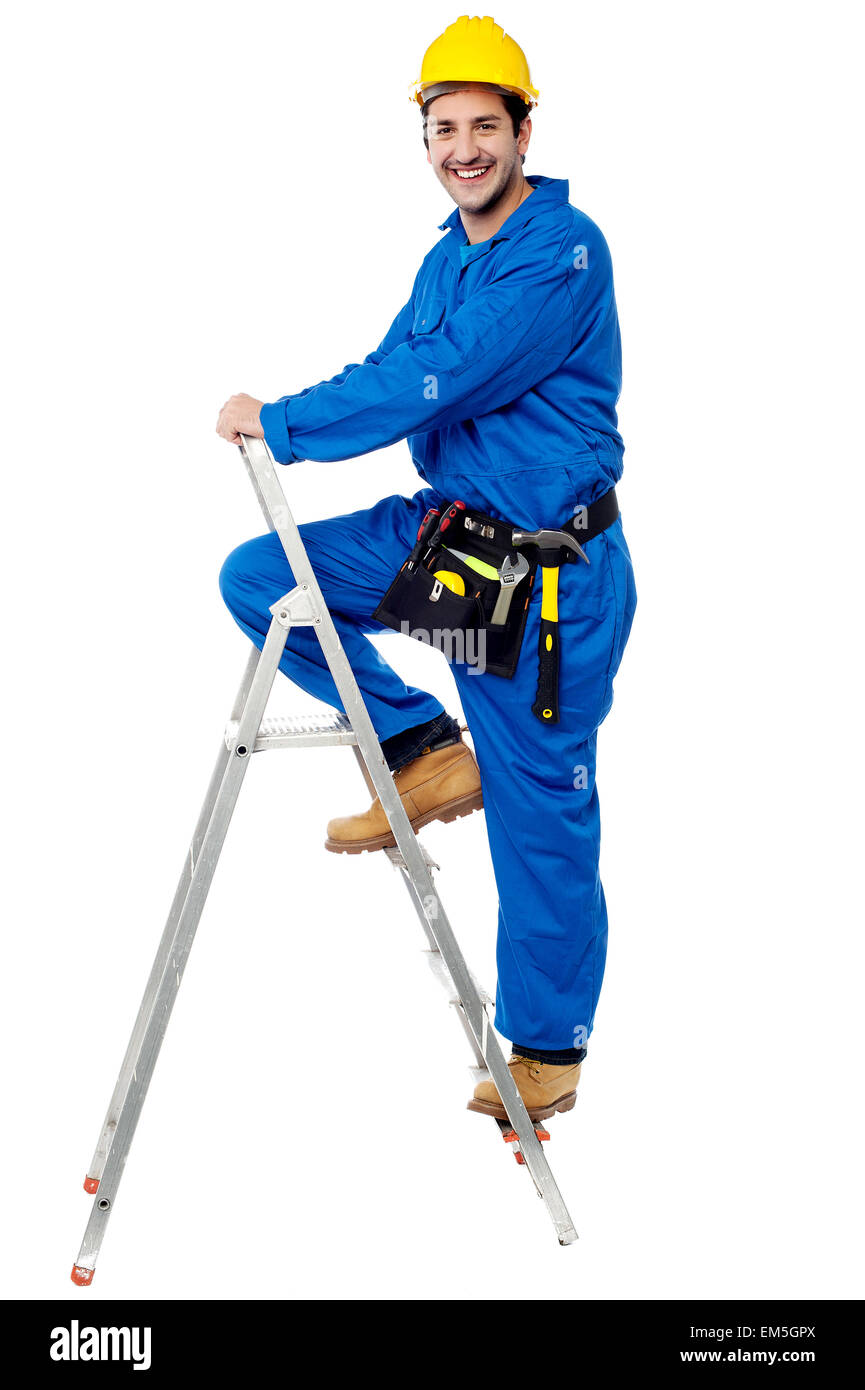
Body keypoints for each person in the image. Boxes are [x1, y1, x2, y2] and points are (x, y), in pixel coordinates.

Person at [216, 15, 637, 1124]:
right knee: (264, 580)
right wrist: (299, 407)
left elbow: (434, 378)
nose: (464, 147)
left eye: (483, 126)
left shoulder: (562, 249)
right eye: (443, 127)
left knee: (542, 813)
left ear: (523, 130)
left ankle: (547, 1049)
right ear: (426, 137)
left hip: (543, 578)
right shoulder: (446, 251)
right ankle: (416, 745)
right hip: (448, 535)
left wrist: (286, 421)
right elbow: (396, 358)